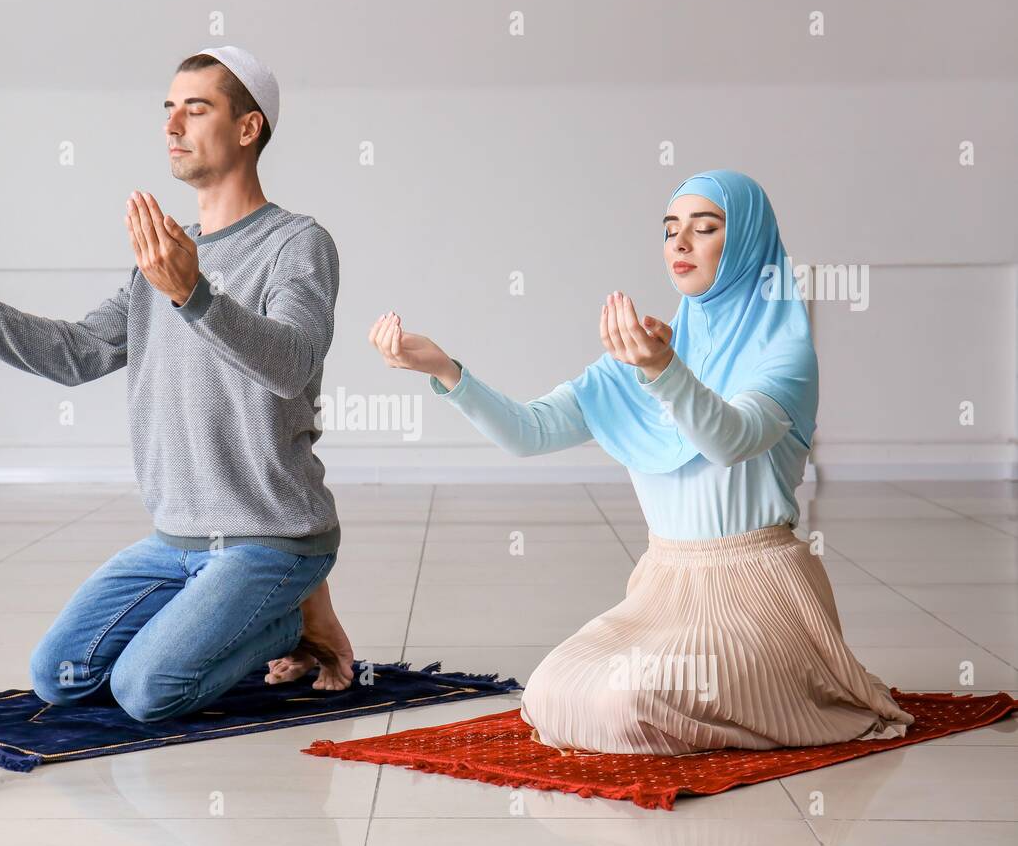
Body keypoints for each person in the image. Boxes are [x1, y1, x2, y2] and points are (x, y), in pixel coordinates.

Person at [365, 168, 914, 755]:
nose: (680, 243)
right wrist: (448, 372)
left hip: (761, 594)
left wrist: (663, 374)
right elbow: (530, 432)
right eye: (670, 229)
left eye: (704, 229)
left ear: (749, 241)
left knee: (630, 701)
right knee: (551, 691)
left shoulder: (781, 357)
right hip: (661, 589)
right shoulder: (647, 351)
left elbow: (730, 439)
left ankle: (780, 694)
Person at [0, 44, 356, 722]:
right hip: (174, 540)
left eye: (195, 109)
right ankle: (245, 614)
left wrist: (195, 295)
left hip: (272, 534)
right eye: (167, 110)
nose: (171, 127)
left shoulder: (296, 243)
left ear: (247, 127)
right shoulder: (164, 257)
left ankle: (298, 619)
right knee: (58, 676)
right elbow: (76, 353)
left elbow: (291, 363)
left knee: (147, 690)